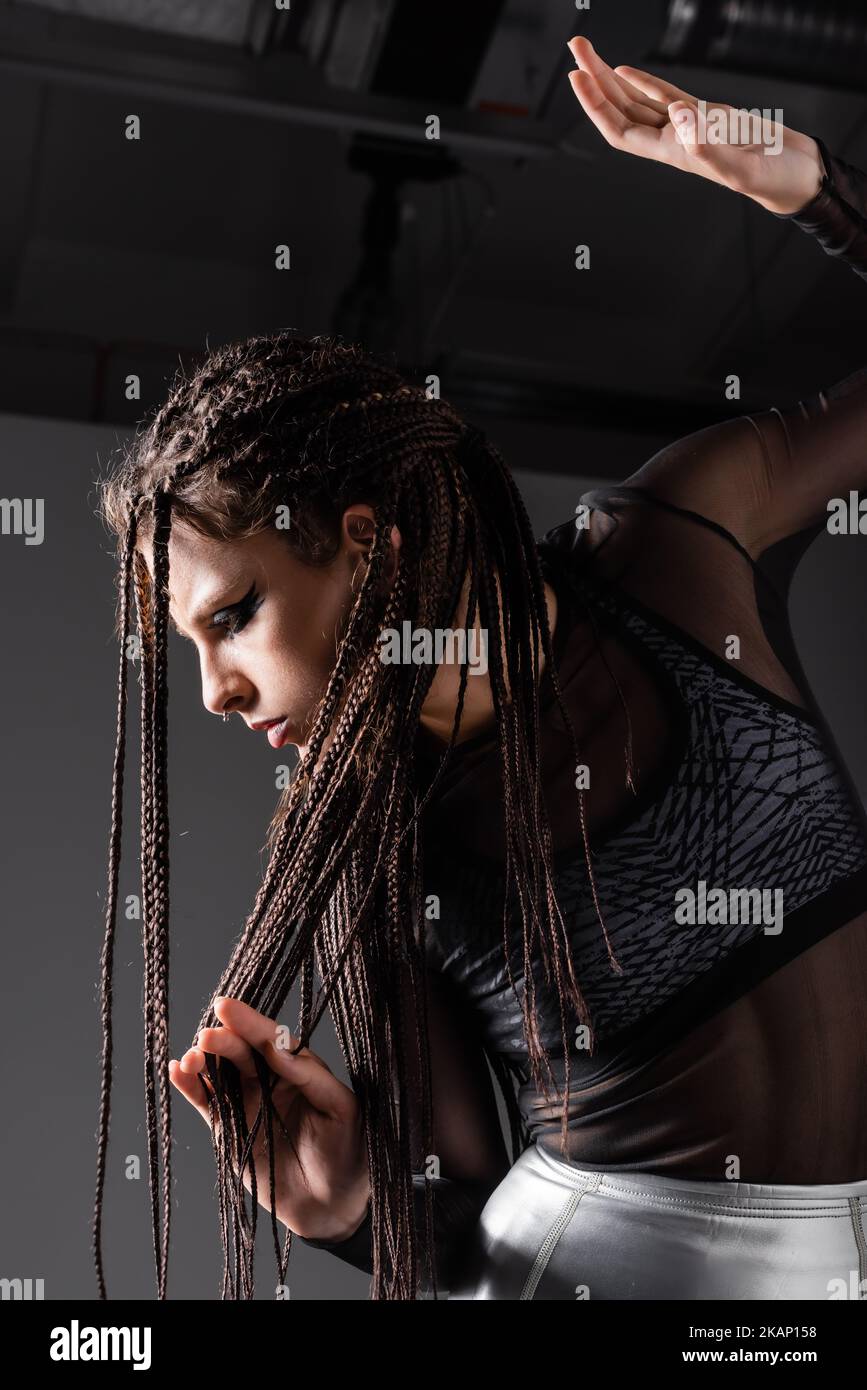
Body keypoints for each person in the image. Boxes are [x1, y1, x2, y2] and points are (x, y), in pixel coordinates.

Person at [94, 38, 867, 1300]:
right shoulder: (374, 841)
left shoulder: (680, 543)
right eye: (188, 649)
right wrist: (345, 1205)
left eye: (232, 615)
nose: (215, 693)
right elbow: (448, 1224)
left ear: (361, 547)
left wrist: (808, 182)